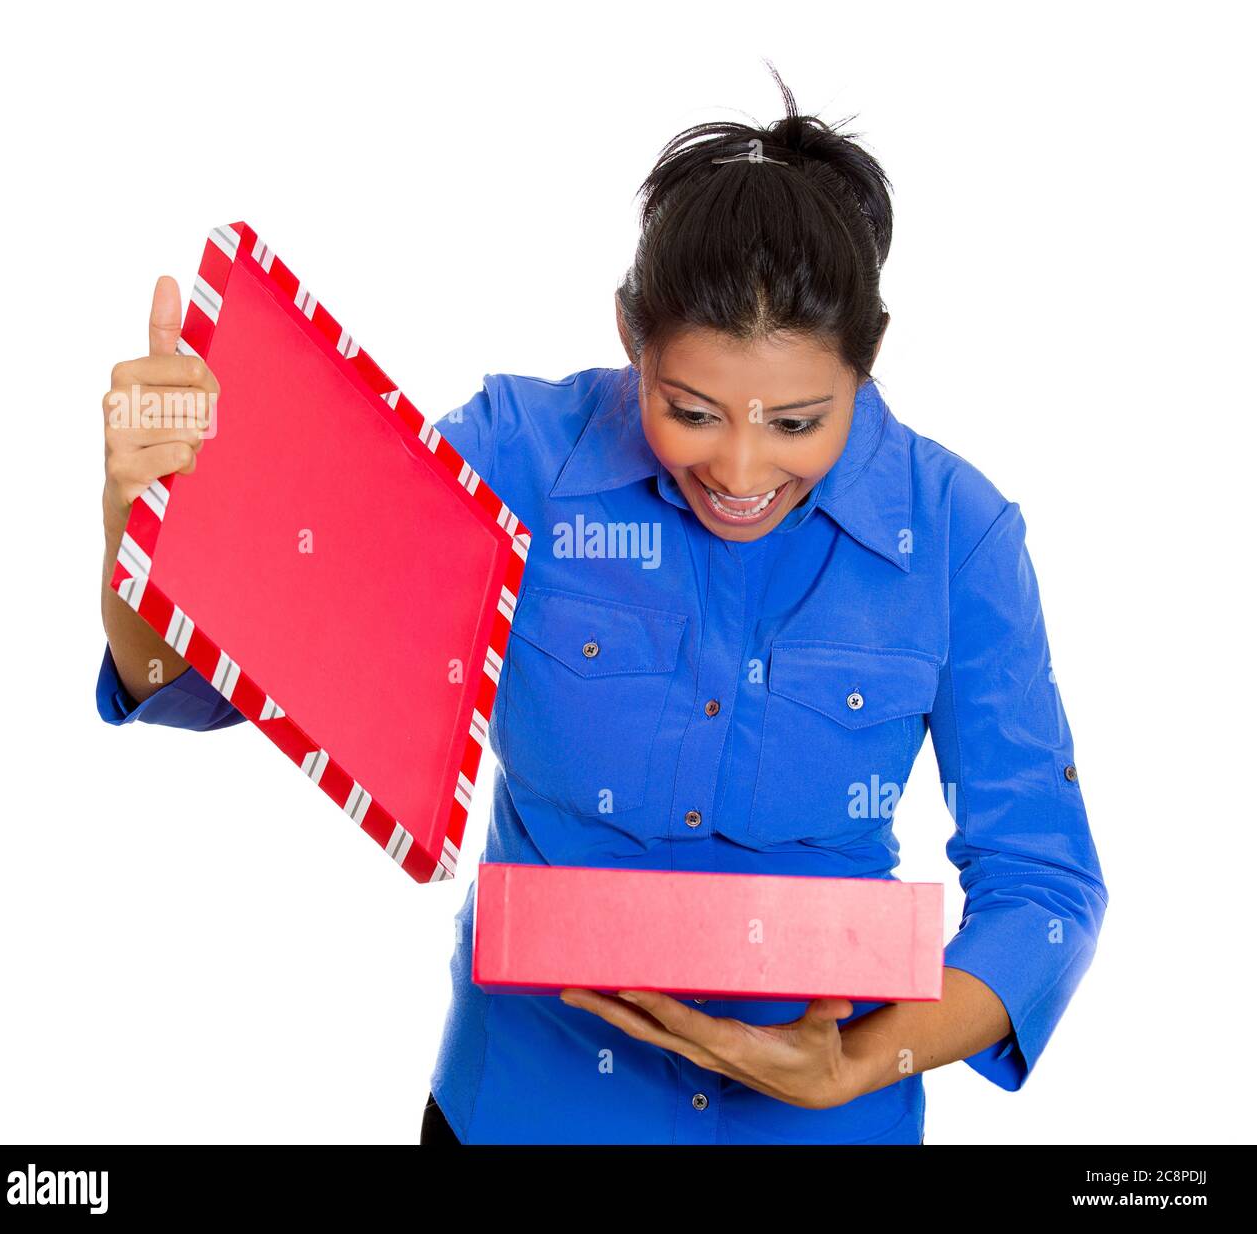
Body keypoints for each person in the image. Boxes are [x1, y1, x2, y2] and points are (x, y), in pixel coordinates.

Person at [96, 68, 1108, 1145]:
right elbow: (202, 682)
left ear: (868, 365)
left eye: (799, 423)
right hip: (524, 1114)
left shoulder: (958, 536)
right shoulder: (516, 458)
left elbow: (1045, 891)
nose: (739, 467)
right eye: (690, 410)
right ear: (632, 336)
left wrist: (855, 1063)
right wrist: (151, 517)